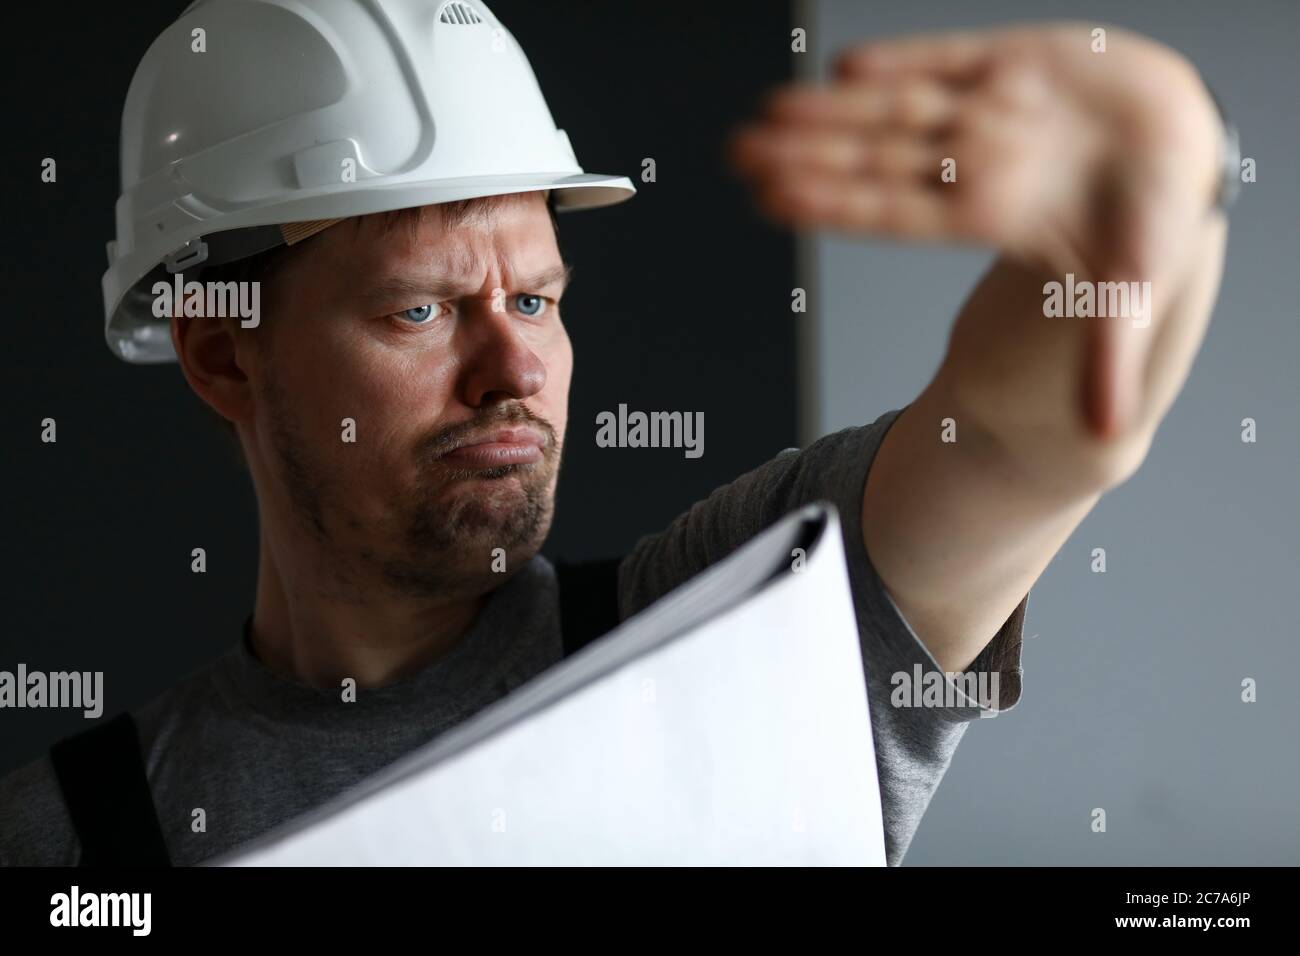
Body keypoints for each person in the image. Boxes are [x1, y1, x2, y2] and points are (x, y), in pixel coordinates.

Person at [0, 5, 1229, 866]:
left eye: (535, 298)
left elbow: (1033, 439)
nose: (515, 368)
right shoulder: (77, 839)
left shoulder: (738, 638)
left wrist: (1157, 170)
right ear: (222, 352)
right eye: (419, 308)